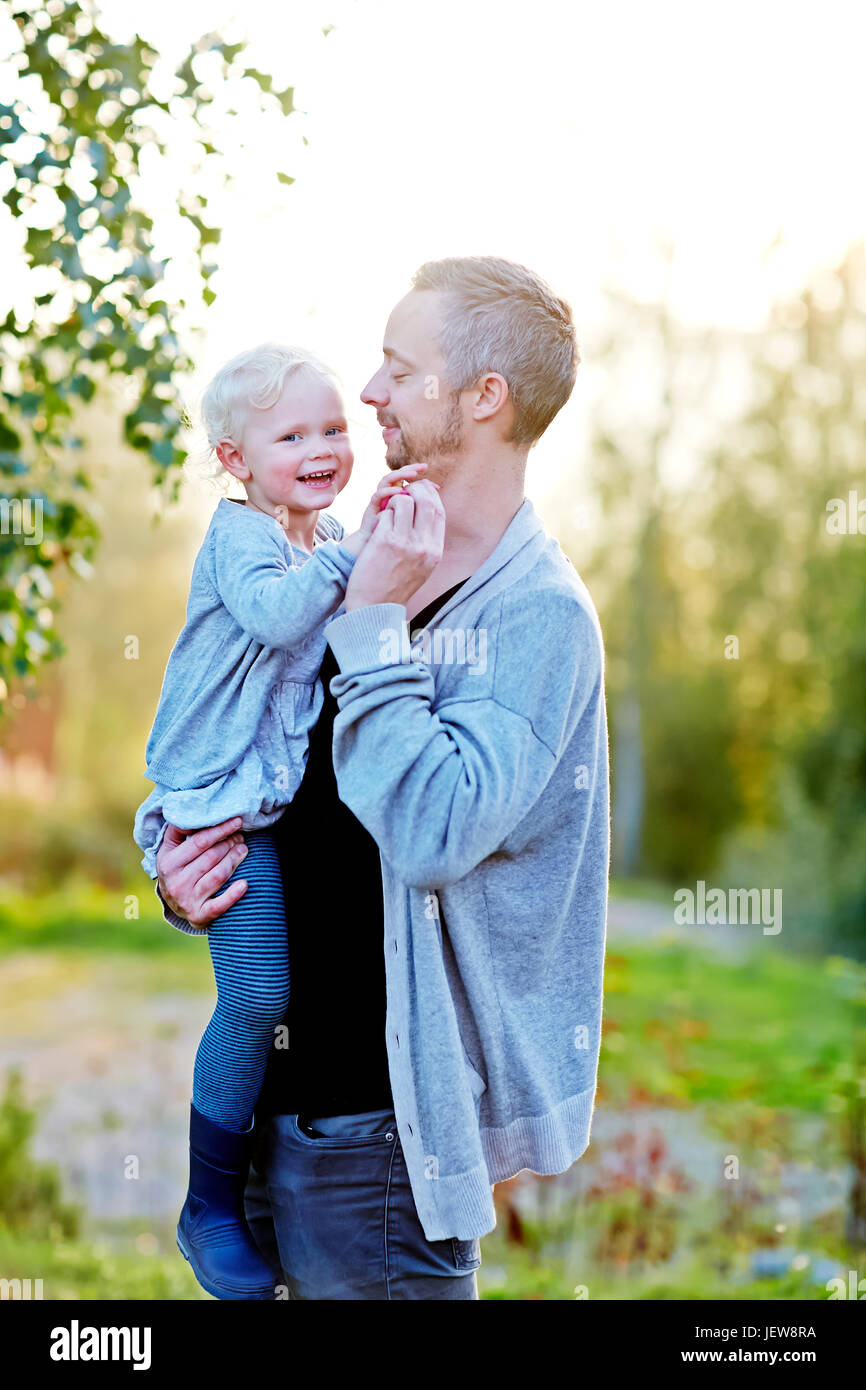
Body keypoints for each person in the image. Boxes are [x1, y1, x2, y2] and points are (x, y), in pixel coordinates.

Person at [154, 256, 610, 1301]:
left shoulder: (532, 617)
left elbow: (432, 830)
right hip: (276, 1114)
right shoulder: (352, 553)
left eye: (399, 371)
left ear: (481, 397)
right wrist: (176, 870)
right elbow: (235, 743)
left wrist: (370, 628)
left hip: (378, 1145)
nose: (365, 395)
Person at [134, 341, 426, 1298]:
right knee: (259, 998)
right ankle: (207, 1200)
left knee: (273, 997)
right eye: (293, 434)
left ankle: (231, 1190)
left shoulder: (322, 534)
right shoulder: (245, 541)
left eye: (335, 428)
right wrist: (361, 559)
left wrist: (357, 547)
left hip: (260, 798)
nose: (323, 446)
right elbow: (273, 617)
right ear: (234, 461)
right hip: (221, 800)